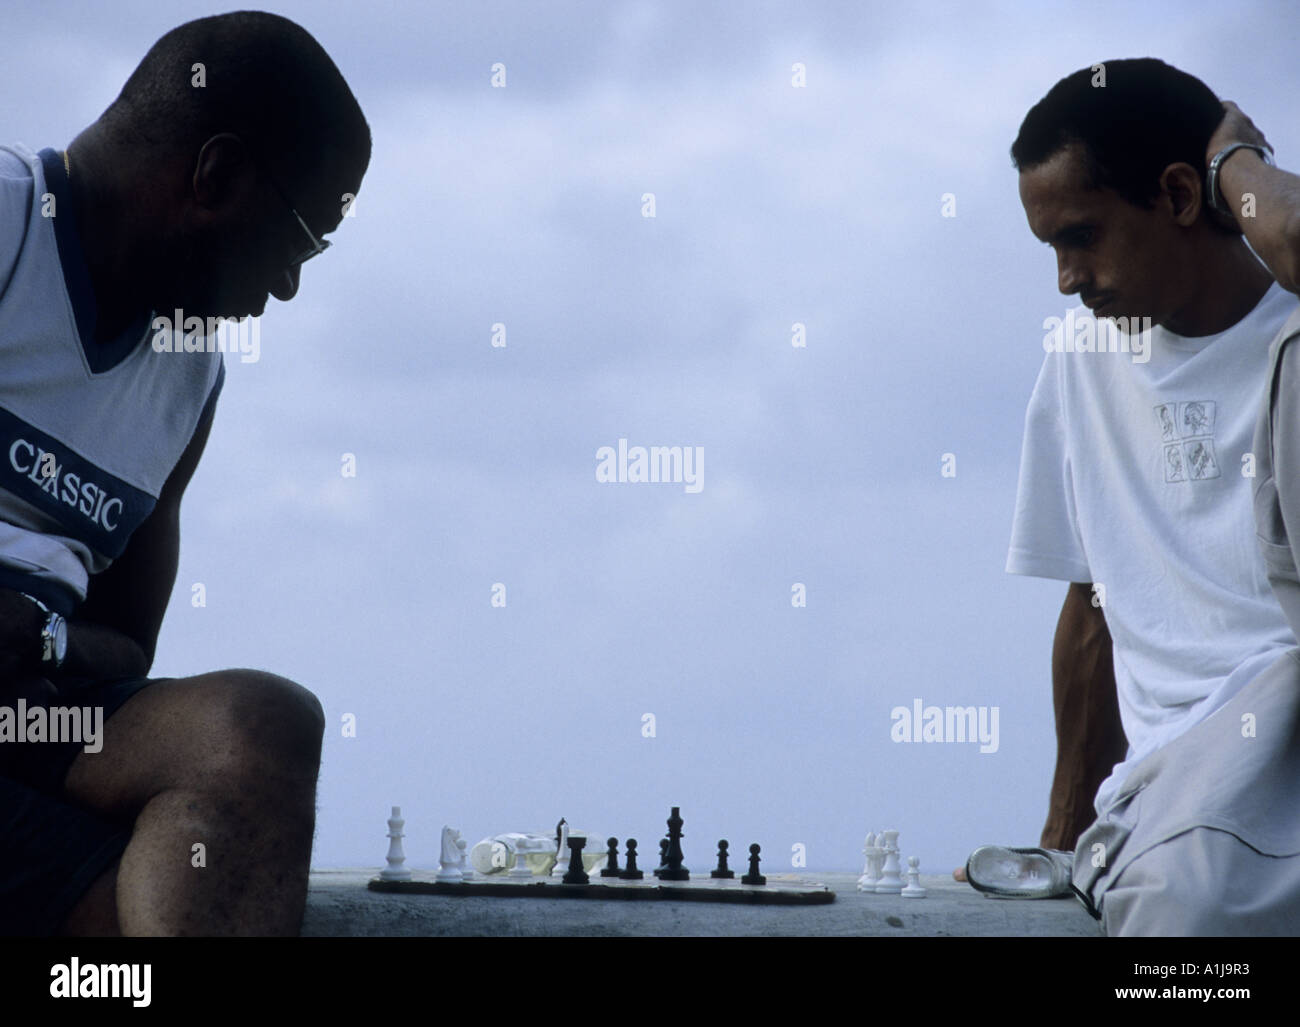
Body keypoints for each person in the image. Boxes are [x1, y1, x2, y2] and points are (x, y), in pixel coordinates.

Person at [0, 11, 369, 936]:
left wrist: (38, 638)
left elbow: (126, 642)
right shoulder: (9, 224)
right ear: (217, 175)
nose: (287, 286)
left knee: (267, 724)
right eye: (300, 241)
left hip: (26, 717)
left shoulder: (189, 375)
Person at [968, 58, 1300, 934]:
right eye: (1052, 249)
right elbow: (1093, 608)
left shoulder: (1294, 342)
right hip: (1168, 803)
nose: (1067, 279)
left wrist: (1241, 164)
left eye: (1081, 236)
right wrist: (1059, 839)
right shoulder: (1078, 359)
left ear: (1181, 195)